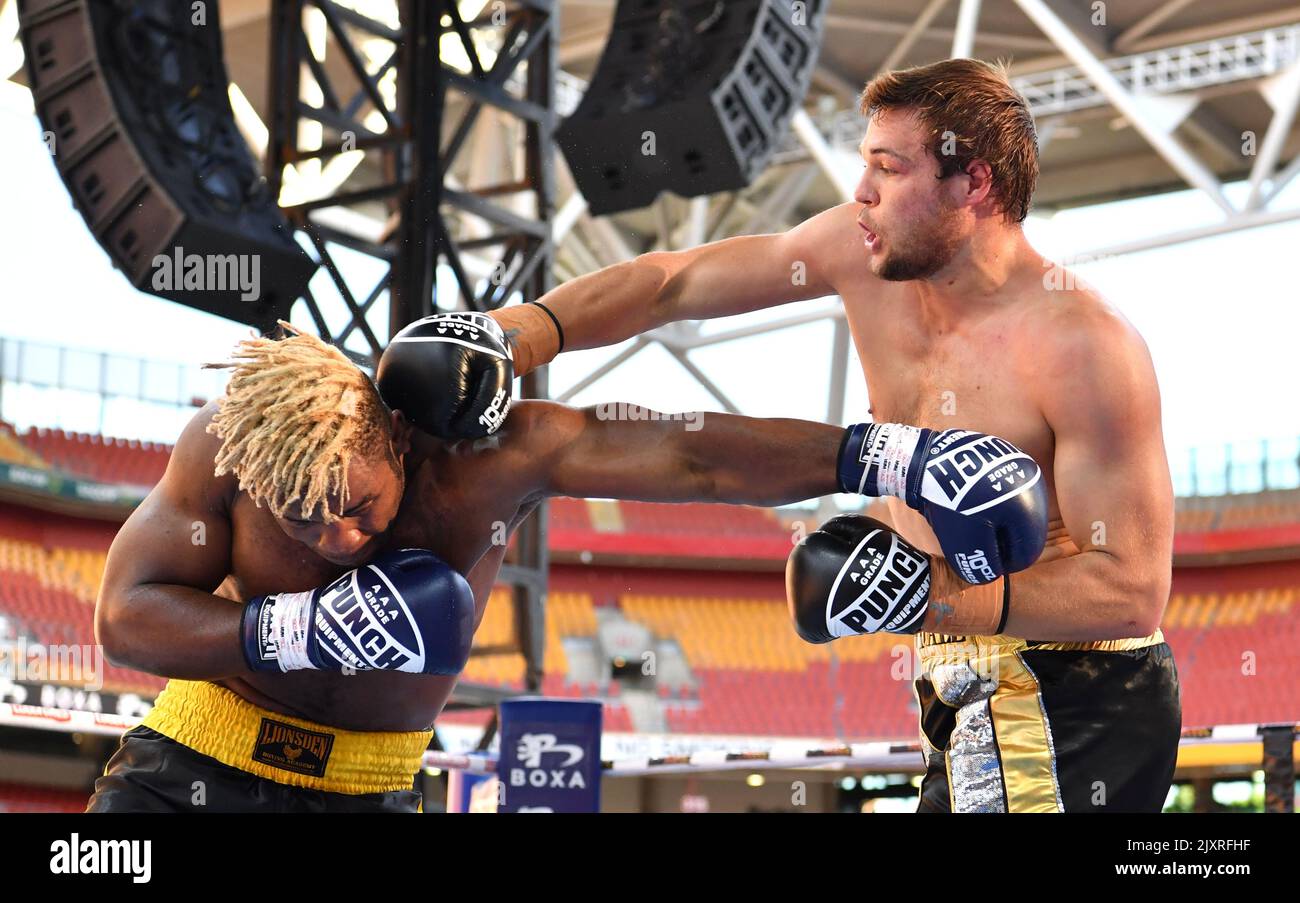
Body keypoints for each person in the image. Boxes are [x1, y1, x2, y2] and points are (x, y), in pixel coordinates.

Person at [457, 58, 1180, 813]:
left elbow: (1130, 590)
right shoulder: (860, 248)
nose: (861, 191)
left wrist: (926, 595)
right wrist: (516, 333)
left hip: (1077, 696)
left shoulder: (1083, 345)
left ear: (976, 184)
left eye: (888, 169)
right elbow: (677, 283)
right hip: (964, 678)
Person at [87, 317, 1043, 813]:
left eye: (356, 506)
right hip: (192, 767)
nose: (337, 540)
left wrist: (884, 454)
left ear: (397, 432)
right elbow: (125, 613)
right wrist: (289, 629)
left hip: (367, 787)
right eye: (304, 526)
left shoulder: (491, 459)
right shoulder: (225, 446)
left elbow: (686, 451)